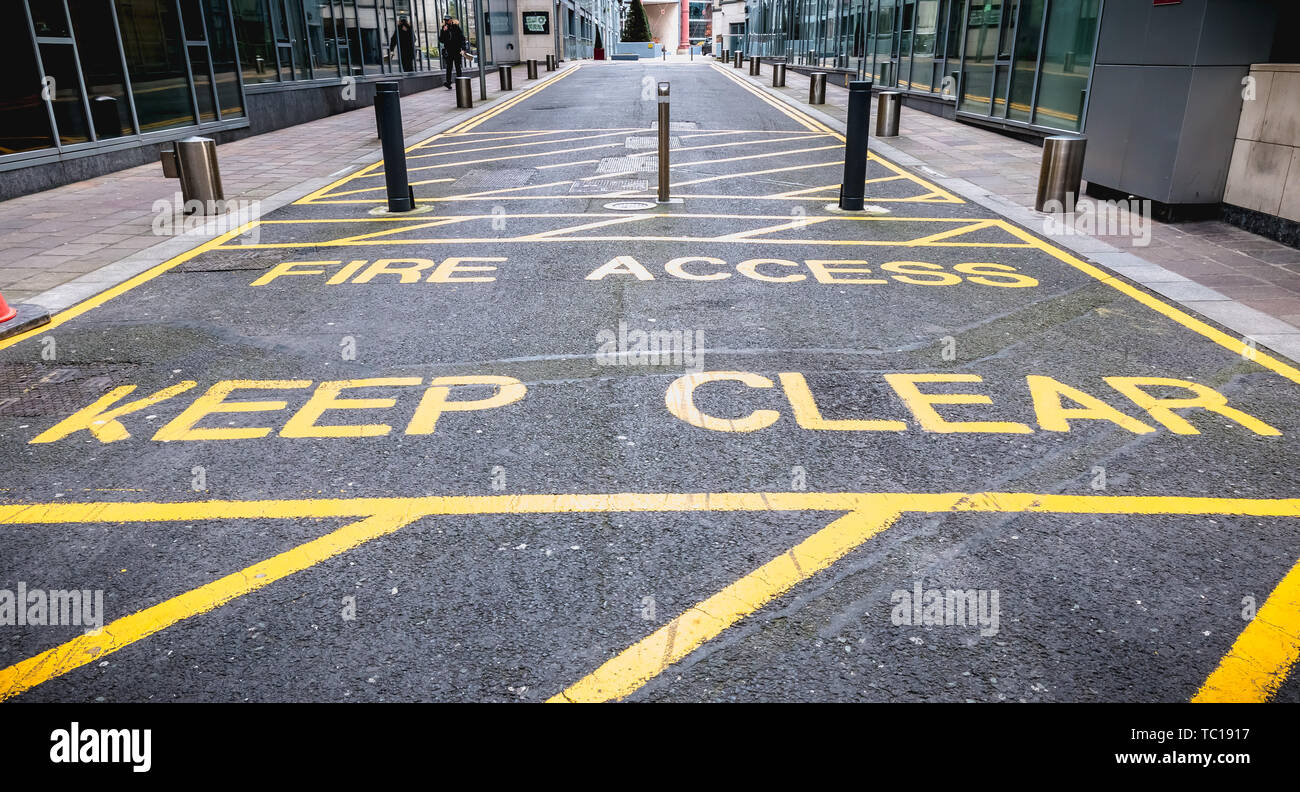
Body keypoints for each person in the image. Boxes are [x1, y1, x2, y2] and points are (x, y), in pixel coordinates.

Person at [438, 16, 466, 88]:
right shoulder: (443, 29)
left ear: (451, 20)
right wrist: (444, 31)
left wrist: (463, 48)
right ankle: (448, 82)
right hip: (449, 51)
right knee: (449, 67)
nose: (447, 22)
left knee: (457, 66)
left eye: (448, 20)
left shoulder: (456, 27)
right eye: (445, 20)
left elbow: (462, 38)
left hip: (457, 50)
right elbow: (441, 40)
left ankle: (460, 82)